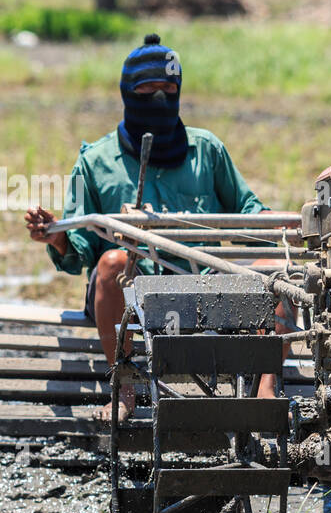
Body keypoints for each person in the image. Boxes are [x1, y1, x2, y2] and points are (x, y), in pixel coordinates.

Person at [24, 34, 278, 420]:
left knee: (269, 274)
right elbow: (79, 252)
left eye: (168, 89)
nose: (159, 97)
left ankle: (266, 391)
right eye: (148, 89)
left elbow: (248, 211)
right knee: (110, 262)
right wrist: (58, 237)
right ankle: (124, 386)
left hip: (203, 282)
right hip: (130, 291)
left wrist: (276, 226)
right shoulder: (96, 162)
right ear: (128, 93)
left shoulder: (206, 151)